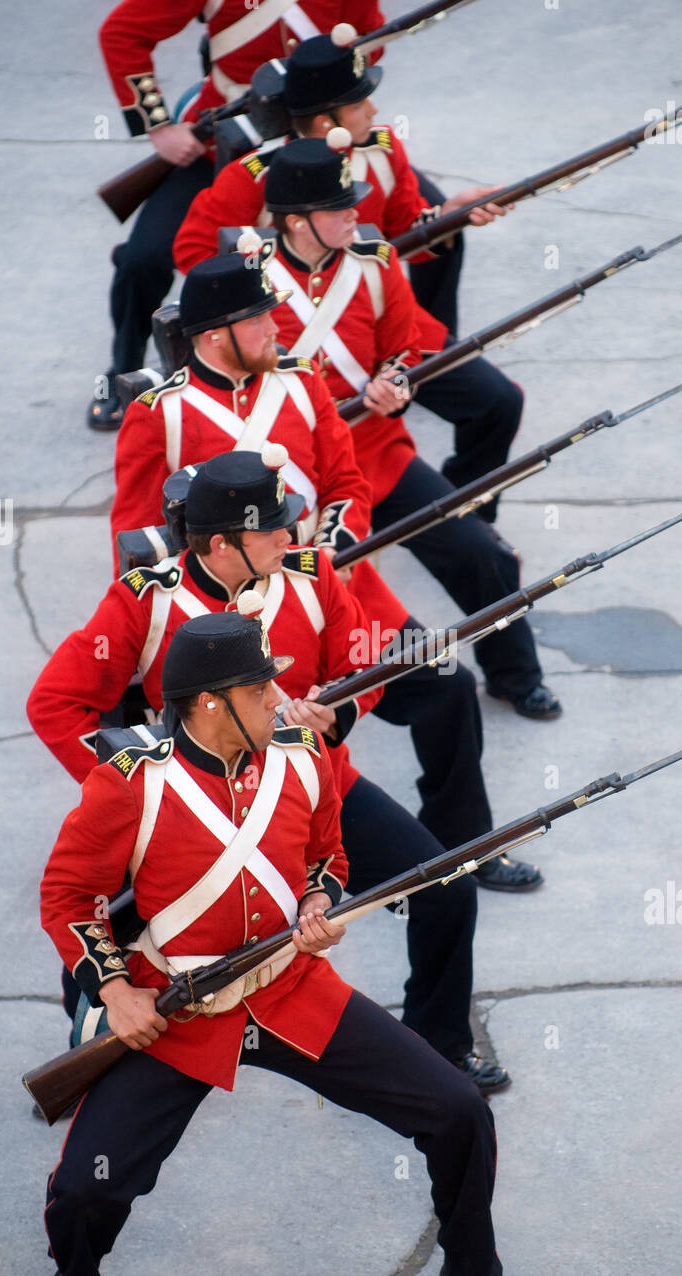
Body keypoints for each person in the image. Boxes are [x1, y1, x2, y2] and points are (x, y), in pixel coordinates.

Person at [39, 605, 517, 1276]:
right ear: (208, 704)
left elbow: (327, 855)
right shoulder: (130, 779)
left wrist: (320, 903)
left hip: (288, 989)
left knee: (459, 1111)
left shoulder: (300, 751)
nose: (279, 698)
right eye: (259, 690)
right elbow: (69, 896)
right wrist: (117, 992)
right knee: (84, 1191)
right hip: (177, 1010)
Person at [29, 450, 536, 1087]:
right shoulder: (147, 600)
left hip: (310, 788)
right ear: (220, 543)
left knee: (447, 888)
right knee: (99, 924)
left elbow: (362, 666)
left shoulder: (314, 574)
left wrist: (333, 714)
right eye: (270, 527)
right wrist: (135, 786)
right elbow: (55, 703)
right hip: (188, 808)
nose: (290, 534)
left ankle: (439, 1045)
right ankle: (97, 1045)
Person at [108, 253, 549, 883]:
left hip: (327, 581)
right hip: (219, 603)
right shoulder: (163, 412)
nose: (275, 329)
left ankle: (462, 847)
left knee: (445, 687)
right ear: (213, 336)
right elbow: (135, 531)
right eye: (258, 320)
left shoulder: (301, 381)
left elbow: (345, 482)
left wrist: (333, 549)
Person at [231, 137, 561, 719]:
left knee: (484, 556)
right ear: (296, 222)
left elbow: (404, 345)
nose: (357, 213)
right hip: (295, 475)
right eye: (340, 208)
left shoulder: (375, 261)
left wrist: (394, 381)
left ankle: (514, 675)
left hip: (377, 452)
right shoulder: (248, 283)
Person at [174, 27, 525, 505]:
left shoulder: (381, 151)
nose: (374, 111)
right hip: (283, 337)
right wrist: (269, 276)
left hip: (376, 318)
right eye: (361, 104)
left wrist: (447, 217)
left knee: (498, 403)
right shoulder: (253, 175)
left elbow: (407, 233)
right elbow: (193, 251)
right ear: (325, 122)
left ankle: (463, 516)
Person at [89, 1, 385, 428]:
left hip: (320, 138)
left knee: (432, 227)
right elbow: (121, 33)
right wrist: (158, 127)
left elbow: (369, 40)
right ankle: (122, 372)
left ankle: (415, 362)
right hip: (226, 142)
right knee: (143, 258)